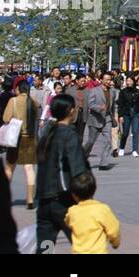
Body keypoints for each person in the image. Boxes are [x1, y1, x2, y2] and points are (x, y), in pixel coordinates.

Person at [36, 94, 90, 253]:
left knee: (45, 247)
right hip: (64, 200)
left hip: (44, 201)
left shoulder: (46, 134)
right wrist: (86, 199)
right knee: (84, 245)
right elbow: (77, 169)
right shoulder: (69, 135)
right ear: (71, 111)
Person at [64, 171, 121, 255]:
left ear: (74, 195)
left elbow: (67, 221)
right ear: (94, 190)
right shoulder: (102, 209)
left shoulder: (72, 211)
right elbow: (113, 230)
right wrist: (115, 243)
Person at [3, 79, 39, 210]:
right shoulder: (34, 101)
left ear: (18, 88)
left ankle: (4, 198)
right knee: (29, 169)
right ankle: (30, 199)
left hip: (15, 139)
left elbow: (6, 119)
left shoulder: (13, 101)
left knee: (9, 169)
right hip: (30, 138)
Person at [115, 76, 139, 158]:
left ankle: (135, 150)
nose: (128, 82)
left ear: (134, 82)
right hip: (126, 114)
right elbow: (120, 104)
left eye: (130, 80)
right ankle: (122, 147)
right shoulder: (123, 92)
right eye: (127, 80)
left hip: (136, 113)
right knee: (125, 133)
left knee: (135, 131)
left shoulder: (138, 91)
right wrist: (120, 116)